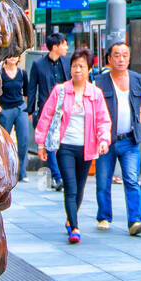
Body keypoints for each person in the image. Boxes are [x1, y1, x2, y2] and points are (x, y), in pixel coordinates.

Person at [35, 48, 111, 244]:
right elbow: (46, 116)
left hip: (86, 147)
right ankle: (75, 228)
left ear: (89, 70)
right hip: (65, 146)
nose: (77, 70)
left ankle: (70, 219)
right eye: (74, 66)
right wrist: (41, 143)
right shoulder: (60, 90)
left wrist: (104, 139)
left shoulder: (95, 94)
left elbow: (103, 120)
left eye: (82, 66)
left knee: (80, 186)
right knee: (70, 187)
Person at [96, 40, 141, 236]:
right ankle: (103, 217)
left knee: (132, 180)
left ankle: (135, 220)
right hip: (106, 140)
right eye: (117, 55)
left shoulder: (137, 79)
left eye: (125, 55)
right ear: (109, 59)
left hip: (130, 139)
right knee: (103, 180)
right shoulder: (100, 81)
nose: (121, 59)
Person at [27, 33, 69, 191]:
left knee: (61, 143)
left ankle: (60, 175)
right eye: (64, 44)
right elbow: (32, 89)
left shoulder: (67, 62)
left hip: (65, 108)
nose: (66, 47)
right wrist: (30, 110)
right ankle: (57, 177)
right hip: (47, 109)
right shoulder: (38, 65)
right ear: (55, 47)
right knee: (50, 143)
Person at [0, 54, 30, 183]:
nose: (13, 58)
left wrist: (27, 109)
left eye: (15, 56)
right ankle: (3, 170)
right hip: (6, 109)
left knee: (23, 141)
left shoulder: (22, 73)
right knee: (4, 141)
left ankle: (22, 172)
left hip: (20, 108)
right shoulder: (1, 73)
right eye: (10, 56)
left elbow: (26, 92)